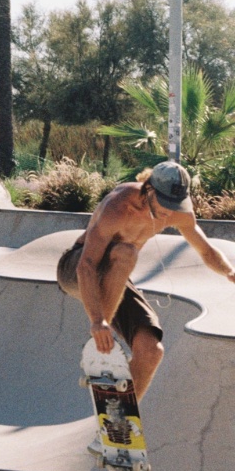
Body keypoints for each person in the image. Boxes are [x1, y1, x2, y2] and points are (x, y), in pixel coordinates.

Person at [57, 160, 235, 410]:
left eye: (176, 206)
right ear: (149, 189)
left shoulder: (178, 212)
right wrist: (98, 321)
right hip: (76, 269)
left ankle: (119, 418)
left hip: (116, 278)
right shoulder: (118, 206)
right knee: (127, 252)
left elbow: (205, 250)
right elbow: (86, 265)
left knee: (151, 350)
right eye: (165, 205)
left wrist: (229, 272)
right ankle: (99, 346)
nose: (168, 213)